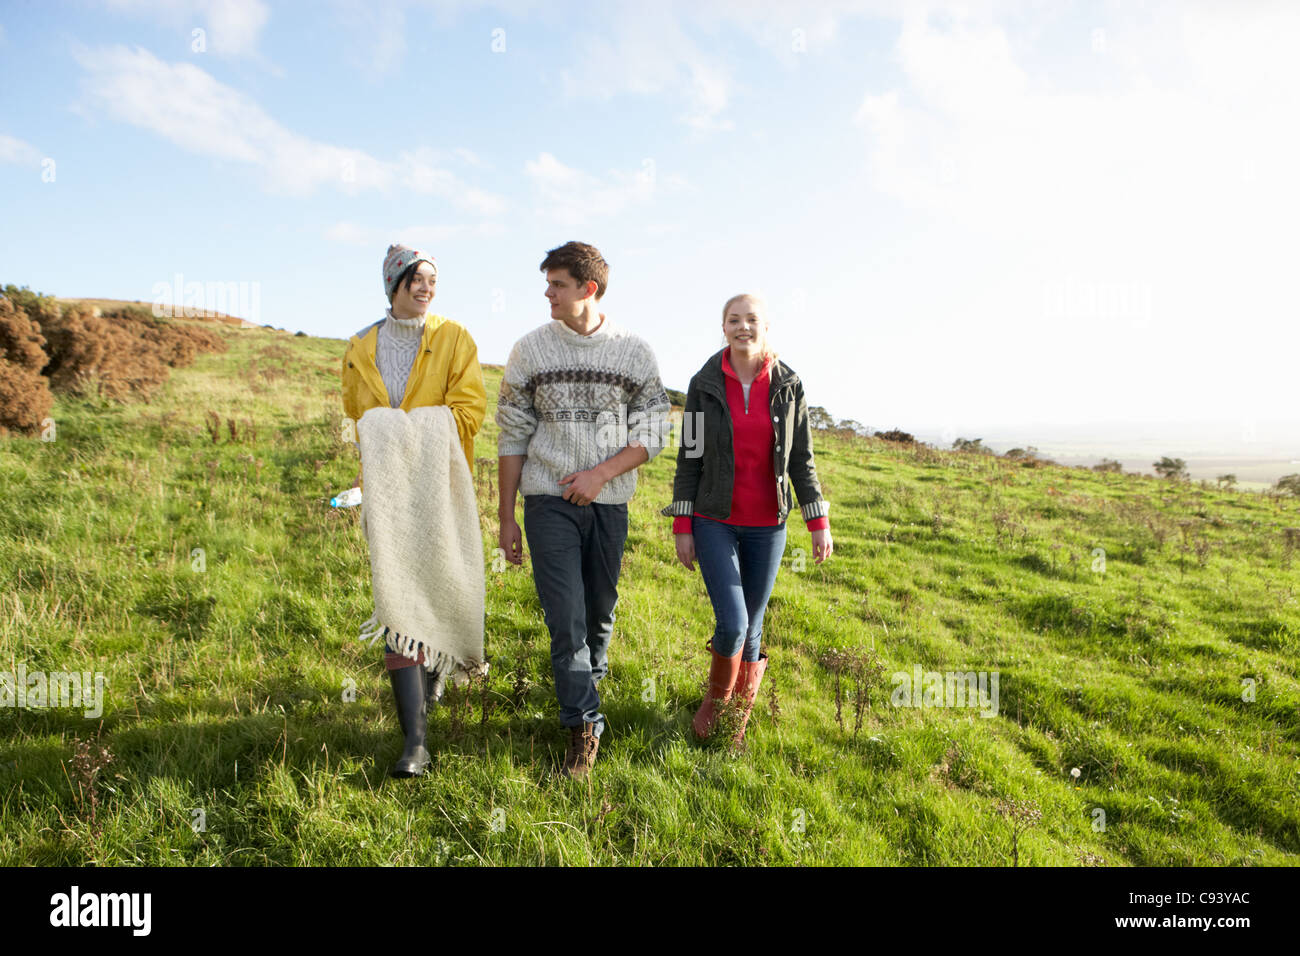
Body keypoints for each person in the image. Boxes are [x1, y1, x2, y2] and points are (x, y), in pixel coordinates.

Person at [496, 241, 671, 779]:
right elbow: (511, 434)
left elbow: (656, 429)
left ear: (588, 289)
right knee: (566, 618)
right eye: (548, 285)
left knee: (599, 616)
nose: (548, 294)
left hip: (610, 504)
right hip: (547, 501)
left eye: (557, 285)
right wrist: (506, 516)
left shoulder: (634, 353)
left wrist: (600, 476)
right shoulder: (529, 351)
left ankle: (586, 710)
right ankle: (581, 728)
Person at [340, 244, 487, 777]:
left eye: (432, 280)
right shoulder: (359, 347)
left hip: (440, 483)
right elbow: (358, 417)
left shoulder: (454, 339)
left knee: (441, 583)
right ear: (393, 284)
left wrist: (408, 432)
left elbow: (469, 410)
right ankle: (415, 742)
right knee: (397, 594)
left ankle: (436, 673)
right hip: (387, 490)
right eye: (417, 279)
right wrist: (378, 447)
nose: (426, 288)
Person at [666, 293, 832, 746]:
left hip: (768, 525)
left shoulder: (788, 385)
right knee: (735, 623)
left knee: (754, 627)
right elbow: (691, 457)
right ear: (723, 328)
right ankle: (713, 706)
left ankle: (736, 723)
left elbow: (802, 459)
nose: (743, 327)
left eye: (751, 319)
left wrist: (818, 522)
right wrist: (683, 525)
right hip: (714, 519)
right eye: (734, 320)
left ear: (766, 326)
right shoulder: (704, 384)